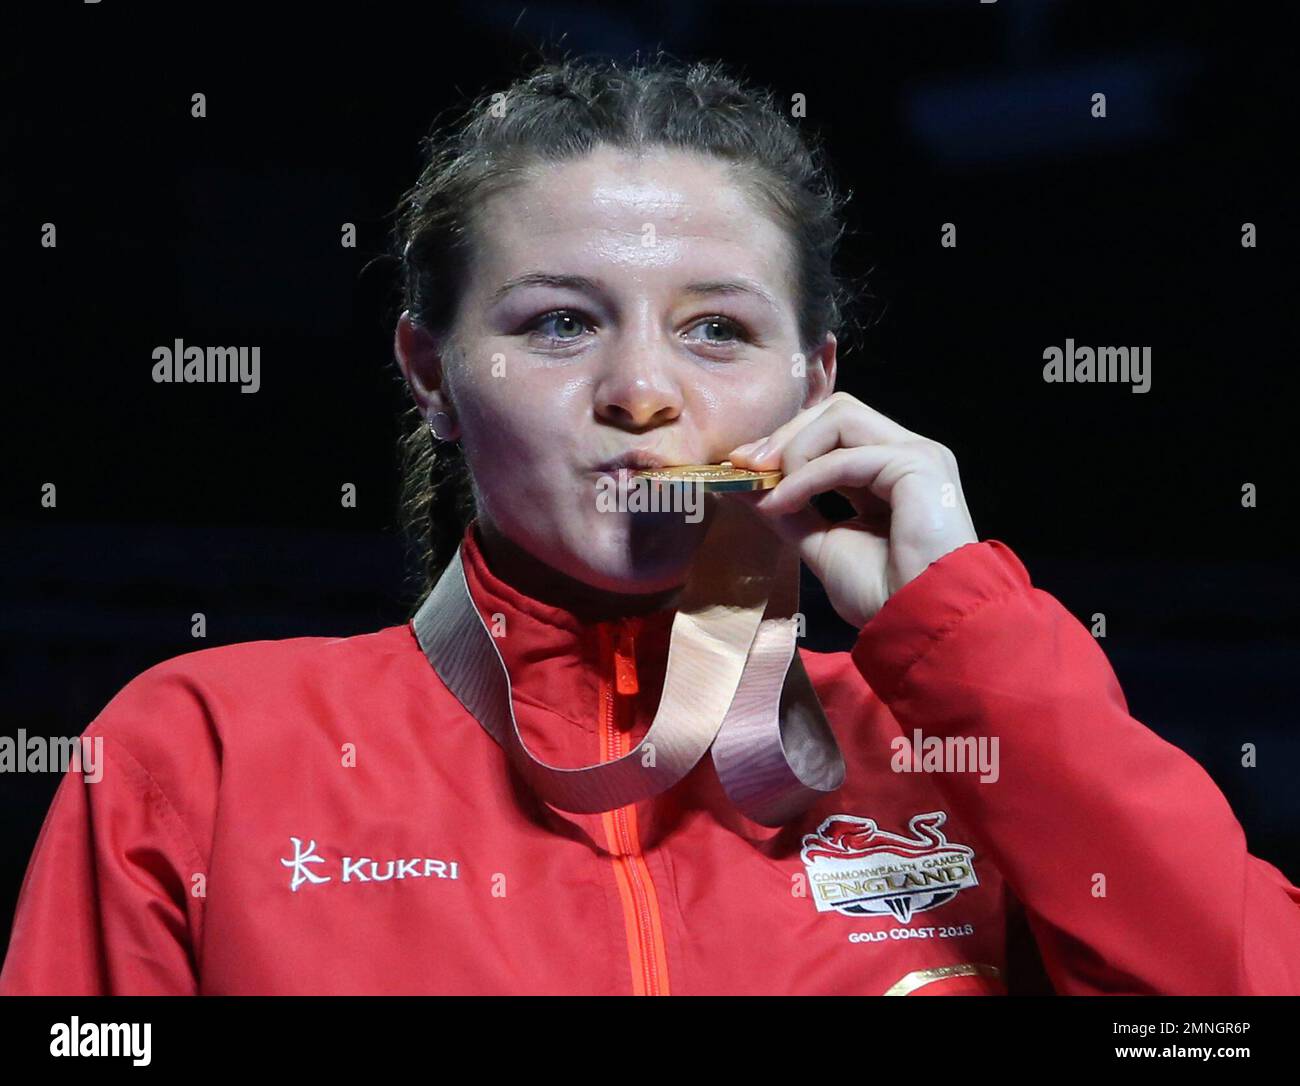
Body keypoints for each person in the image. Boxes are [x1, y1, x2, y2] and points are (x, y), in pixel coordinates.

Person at [3, 54, 1299, 997]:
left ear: (817, 385)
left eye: (718, 328)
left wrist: (968, 625)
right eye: (559, 321)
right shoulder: (203, 754)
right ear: (429, 373)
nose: (641, 390)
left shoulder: (963, 750)